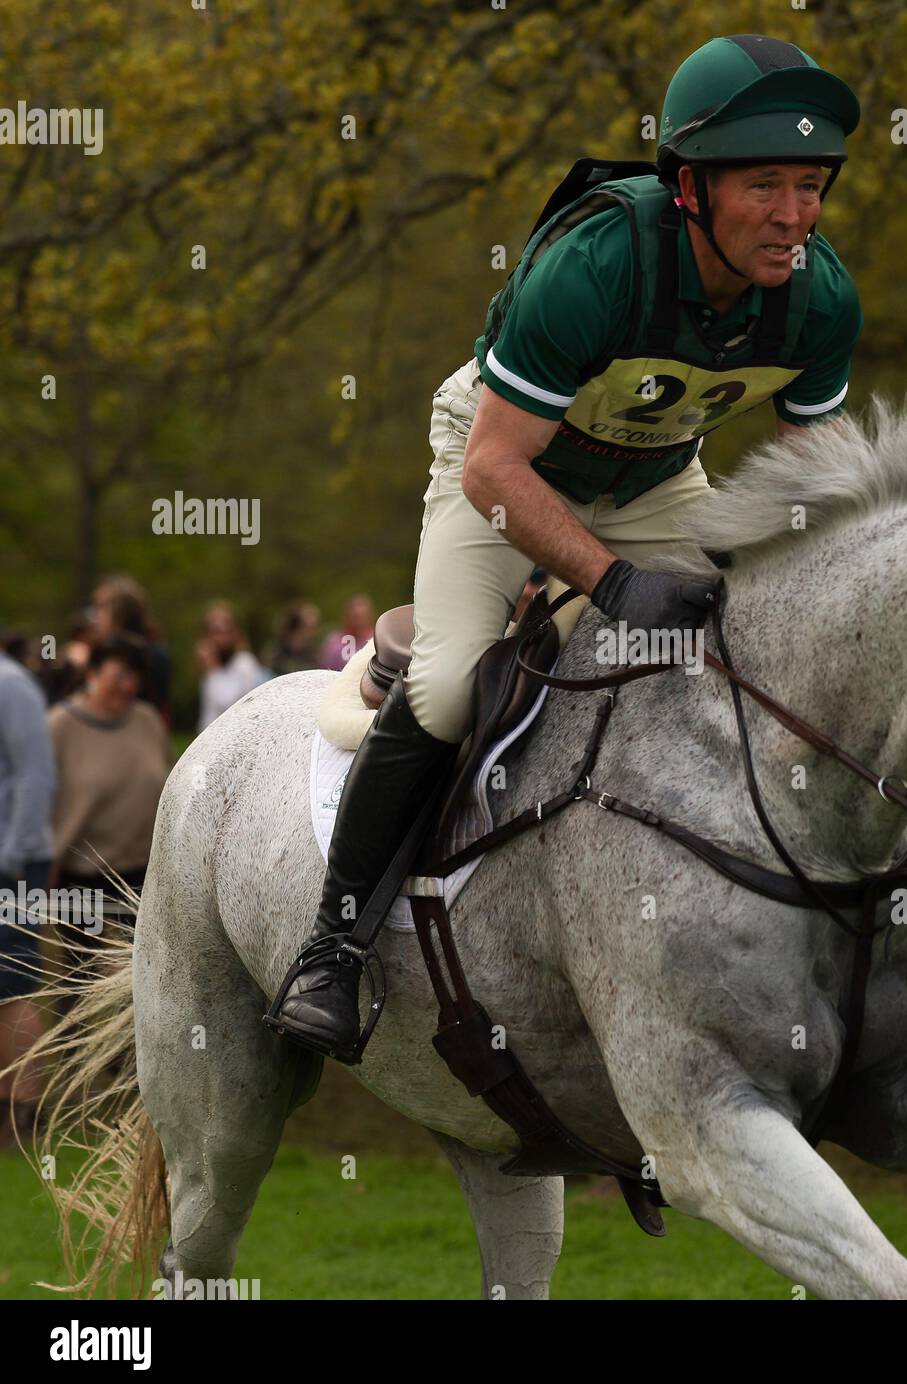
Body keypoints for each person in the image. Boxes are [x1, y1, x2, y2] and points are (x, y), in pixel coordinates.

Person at [264, 33, 866, 1061]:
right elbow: (497, 469)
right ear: (688, 186)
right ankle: (330, 947)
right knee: (451, 687)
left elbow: (808, 484)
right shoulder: (595, 263)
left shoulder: (819, 300)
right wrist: (609, 579)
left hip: (656, 476)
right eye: (763, 183)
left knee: (749, 662)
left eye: (810, 185)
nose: (793, 215)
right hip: (498, 467)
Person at [47, 635, 172, 1002]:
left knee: (140, 985)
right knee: (78, 986)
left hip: (141, 875)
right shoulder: (60, 726)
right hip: (81, 879)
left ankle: (127, 1061)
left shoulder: (147, 720)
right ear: (93, 672)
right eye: (119, 675)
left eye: (135, 676)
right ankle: (74, 1056)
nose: (129, 685)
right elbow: (42, 804)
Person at [0, 645, 56, 1148]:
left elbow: (37, 775)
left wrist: (10, 856)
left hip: (13, 863)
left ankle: (23, 1118)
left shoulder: (10, 685)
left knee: (12, 984)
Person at [89, 575, 173, 727]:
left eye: (101, 607)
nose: (96, 616)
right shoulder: (155, 649)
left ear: (119, 612)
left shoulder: (146, 656)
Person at [195, 601, 267, 731]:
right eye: (212, 632)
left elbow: (227, 704)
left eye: (220, 631)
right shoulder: (217, 665)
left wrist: (212, 667)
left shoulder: (244, 662)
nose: (216, 638)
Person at [263, 601, 323, 677]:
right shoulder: (274, 654)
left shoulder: (312, 655)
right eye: (311, 627)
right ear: (298, 626)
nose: (316, 631)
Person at [319, 595, 375, 672]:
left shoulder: (378, 640)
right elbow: (325, 671)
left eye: (362, 616)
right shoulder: (334, 646)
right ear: (347, 617)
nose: (359, 622)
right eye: (355, 617)